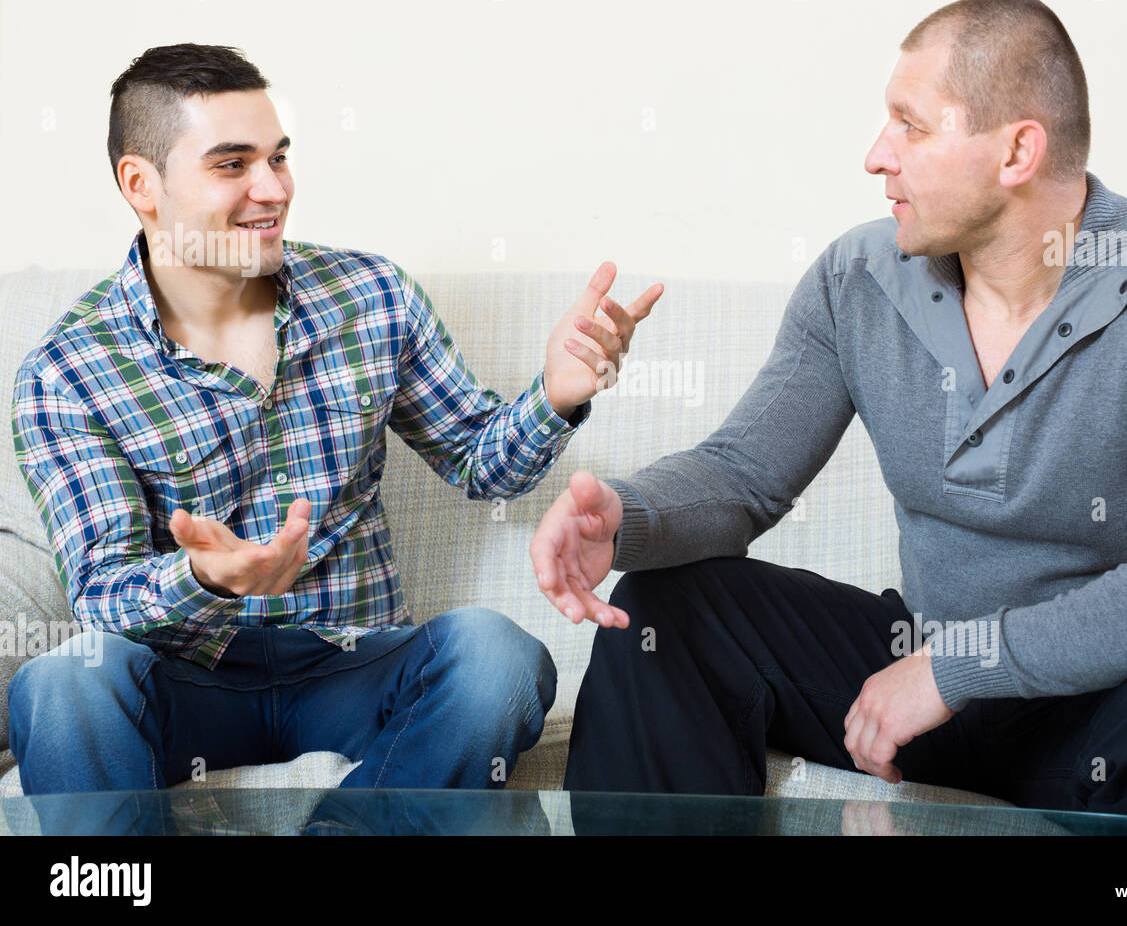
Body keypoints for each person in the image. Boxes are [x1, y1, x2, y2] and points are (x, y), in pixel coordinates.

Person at [529, 0, 1127, 832]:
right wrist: (628, 517)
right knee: (666, 611)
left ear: (1016, 151)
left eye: (911, 126)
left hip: (1100, 699)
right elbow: (743, 476)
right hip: (913, 661)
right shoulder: (857, 278)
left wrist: (961, 664)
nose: (876, 156)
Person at [7, 43, 663, 816]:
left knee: (498, 656)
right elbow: (102, 595)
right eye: (233, 164)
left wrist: (555, 394)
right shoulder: (67, 370)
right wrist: (204, 578)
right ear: (140, 184)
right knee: (61, 681)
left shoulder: (371, 295)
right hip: (186, 678)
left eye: (278, 157)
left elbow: (483, 462)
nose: (273, 188)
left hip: (357, 663)